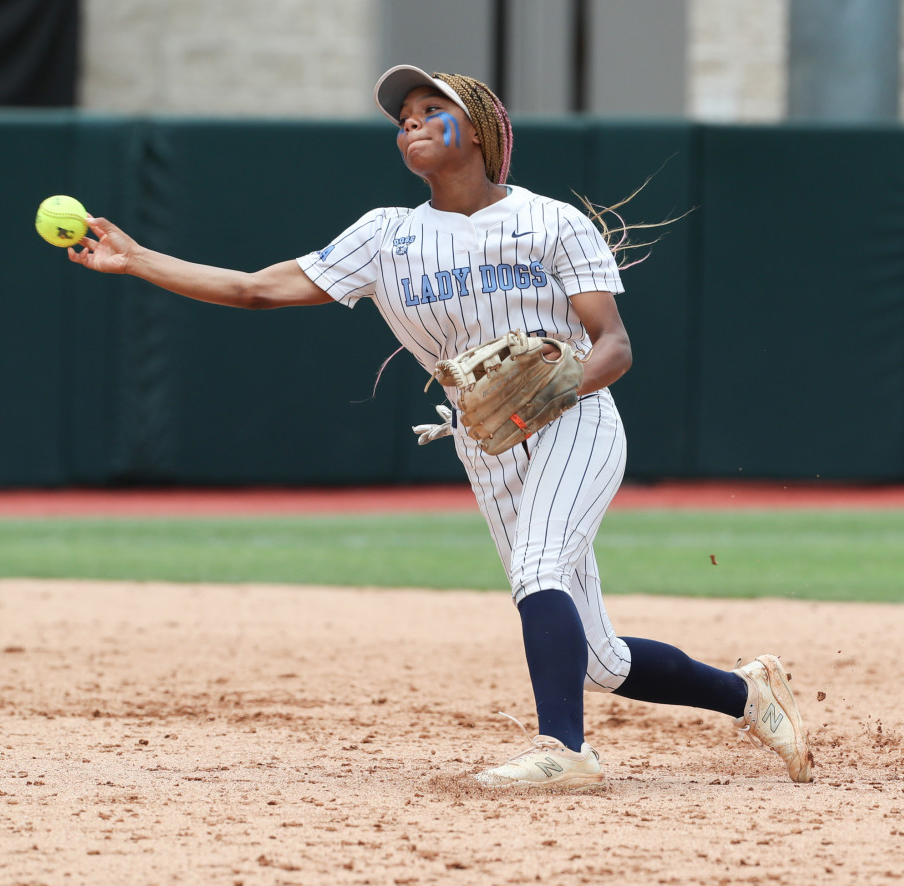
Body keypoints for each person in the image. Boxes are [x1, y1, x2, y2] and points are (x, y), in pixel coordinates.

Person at [68, 64, 814, 789]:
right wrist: (137, 260)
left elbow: (613, 346)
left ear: (479, 129)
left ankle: (563, 750)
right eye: (404, 120)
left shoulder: (552, 222)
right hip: (487, 442)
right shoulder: (384, 237)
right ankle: (749, 694)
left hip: (574, 422)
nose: (413, 126)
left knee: (539, 569)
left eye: (432, 112)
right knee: (598, 661)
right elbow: (255, 289)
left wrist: (550, 394)